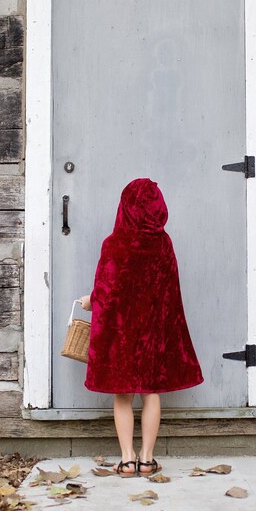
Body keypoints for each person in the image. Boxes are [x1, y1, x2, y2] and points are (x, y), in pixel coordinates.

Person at [79, 178, 203, 477]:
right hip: (152, 332)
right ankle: (147, 459)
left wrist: (89, 301)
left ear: (126, 207)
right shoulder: (164, 243)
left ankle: (126, 459)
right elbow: (169, 290)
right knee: (151, 392)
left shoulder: (113, 244)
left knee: (122, 394)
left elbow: (106, 289)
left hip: (120, 334)